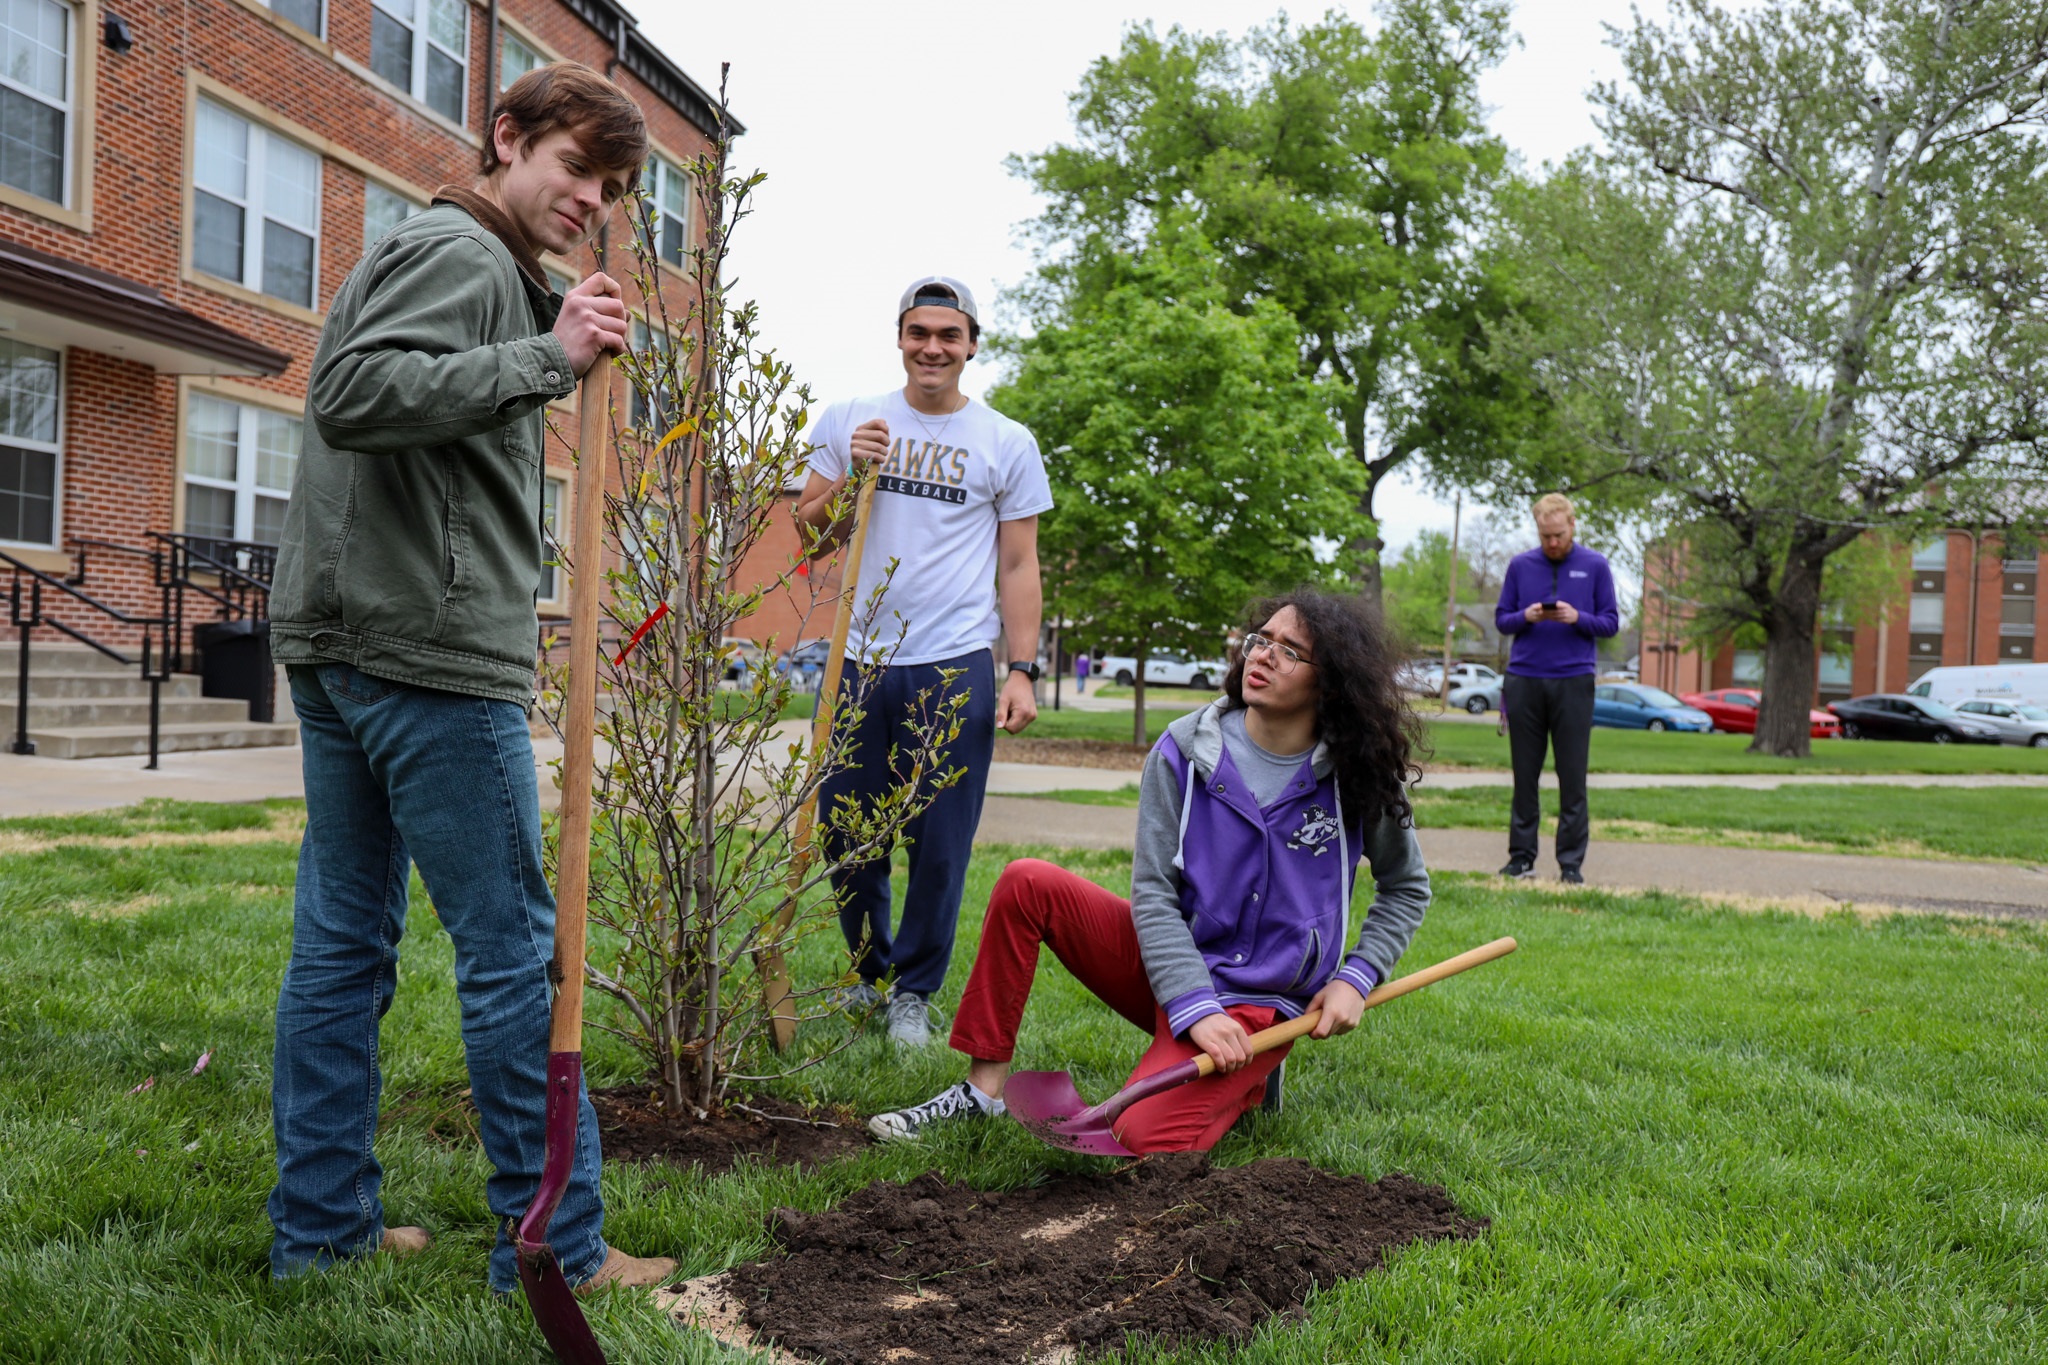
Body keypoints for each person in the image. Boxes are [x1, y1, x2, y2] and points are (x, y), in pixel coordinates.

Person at [265, 64, 673, 1294]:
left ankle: (321, 1230)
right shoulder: (463, 254)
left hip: (347, 642)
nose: (586, 201)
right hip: (427, 653)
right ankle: (557, 1247)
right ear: (505, 139)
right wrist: (544, 358)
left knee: (341, 945)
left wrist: (543, 343)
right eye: (572, 169)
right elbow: (351, 396)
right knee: (512, 954)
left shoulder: (464, 259)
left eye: (606, 191)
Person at [866, 589, 1432, 1151]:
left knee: (1139, 1139)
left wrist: (1356, 977)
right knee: (1027, 882)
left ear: (1330, 682)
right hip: (1174, 966)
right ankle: (981, 1093)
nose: (1261, 655)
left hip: (1262, 1003)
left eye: (1289, 651)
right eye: (1261, 640)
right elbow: (1154, 894)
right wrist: (1194, 1006)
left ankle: (1250, 1075)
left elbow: (1406, 887)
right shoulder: (1183, 751)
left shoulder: (1356, 773)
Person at [797, 277, 1052, 1046]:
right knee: (847, 831)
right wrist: (851, 476)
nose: (932, 347)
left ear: (972, 343)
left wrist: (1021, 667)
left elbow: (1018, 564)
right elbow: (812, 533)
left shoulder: (1006, 441)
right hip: (857, 661)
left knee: (940, 840)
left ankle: (914, 990)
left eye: (949, 334)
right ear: (900, 339)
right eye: (919, 332)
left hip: (952, 664)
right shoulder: (850, 421)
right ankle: (867, 975)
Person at [1493, 492, 1620, 883]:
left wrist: (1577, 617)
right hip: (1525, 679)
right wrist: (1525, 616)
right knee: (1524, 775)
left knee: (1572, 776)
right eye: (1545, 535)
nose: (1552, 542)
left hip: (1574, 681)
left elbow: (1610, 623)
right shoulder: (1520, 566)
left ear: (1573, 525)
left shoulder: (1595, 566)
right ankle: (1521, 858)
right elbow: (1502, 620)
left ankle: (1570, 864)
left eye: (1558, 535)